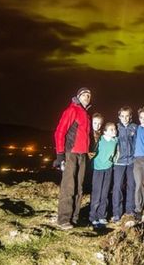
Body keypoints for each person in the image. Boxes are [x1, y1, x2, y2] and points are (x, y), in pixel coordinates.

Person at [53, 87, 93, 229]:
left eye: (89, 95)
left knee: (79, 187)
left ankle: (74, 218)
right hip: (71, 153)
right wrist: (60, 154)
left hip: (82, 154)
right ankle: (63, 219)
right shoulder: (72, 110)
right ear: (78, 96)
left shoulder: (86, 114)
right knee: (69, 186)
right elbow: (60, 132)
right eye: (84, 94)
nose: (87, 97)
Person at [111, 106, 137, 222]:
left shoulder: (134, 127)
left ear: (130, 116)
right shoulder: (116, 128)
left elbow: (138, 143)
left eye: (127, 116)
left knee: (132, 185)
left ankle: (130, 210)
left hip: (132, 161)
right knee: (117, 187)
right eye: (122, 116)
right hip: (119, 162)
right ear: (119, 116)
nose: (125, 118)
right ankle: (117, 213)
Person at [90, 122, 118, 227]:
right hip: (98, 169)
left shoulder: (115, 140)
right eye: (111, 129)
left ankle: (102, 216)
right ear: (105, 132)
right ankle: (93, 217)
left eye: (115, 129)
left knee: (105, 194)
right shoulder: (100, 139)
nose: (114, 131)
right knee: (96, 194)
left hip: (108, 169)